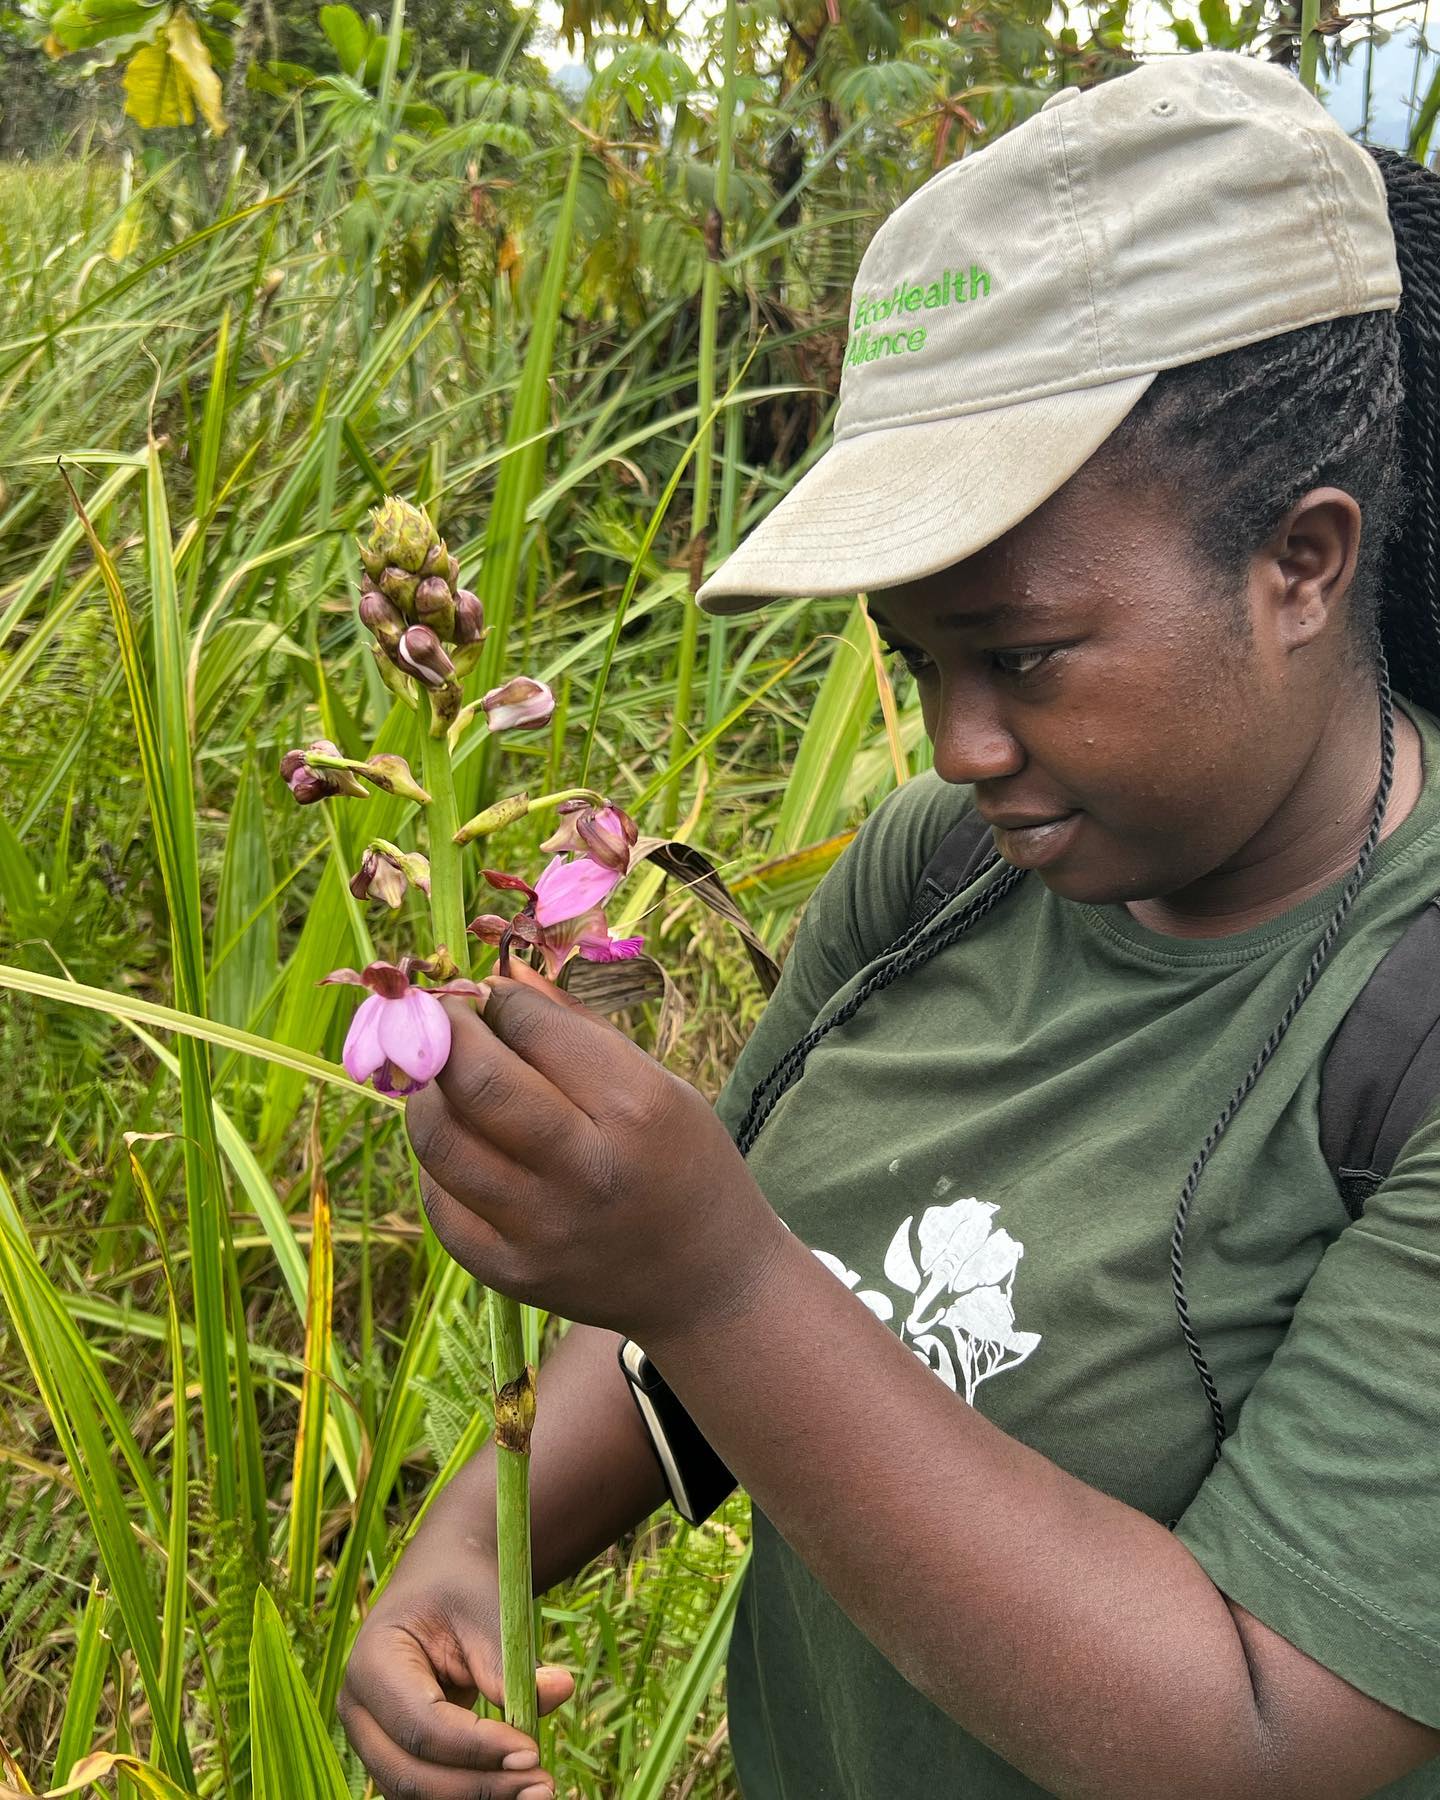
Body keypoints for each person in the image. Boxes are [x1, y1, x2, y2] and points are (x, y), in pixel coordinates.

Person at [338, 50, 1440, 1800]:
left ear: (1301, 562)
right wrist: (478, 1542)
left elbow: (1261, 1732)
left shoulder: (1406, 1025)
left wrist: (713, 1278)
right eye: (912, 658)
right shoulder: (941, 872)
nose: (956, 746)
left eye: (1022, 656)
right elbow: (751, 1306)